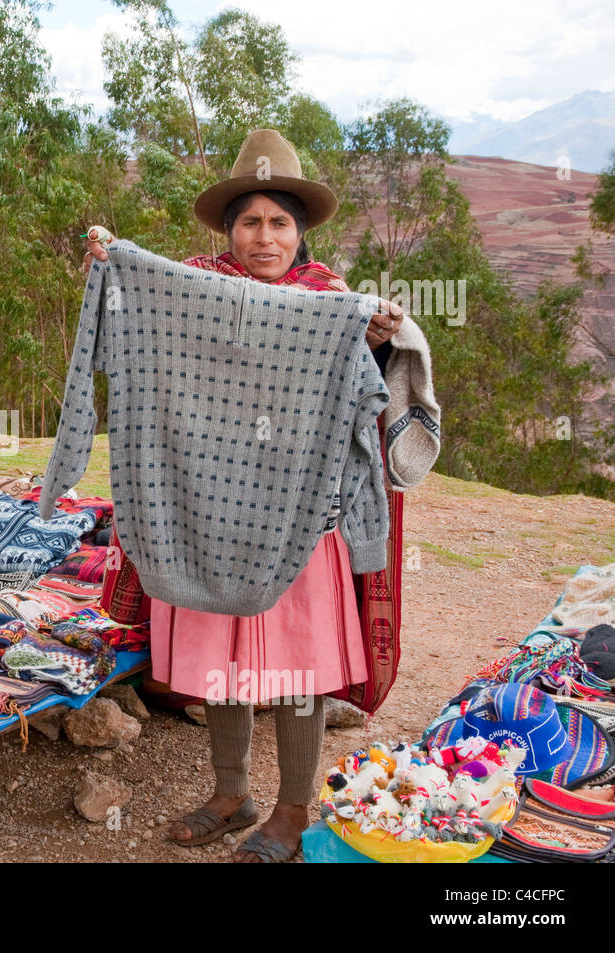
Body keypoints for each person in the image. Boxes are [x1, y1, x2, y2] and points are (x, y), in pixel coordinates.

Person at [83, 129, 413, 862]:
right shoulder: (193, 287)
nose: (265, 237)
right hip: (209, 506)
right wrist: (112, 269)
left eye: (279, 222)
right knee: (221, 656)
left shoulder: (331, 301)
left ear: (300, 232)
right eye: (251, 222)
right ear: (230, 230)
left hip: (303, 514)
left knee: (297, 663)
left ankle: (294, 813)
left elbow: (367, 392)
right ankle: (232, 793)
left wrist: (380, 339)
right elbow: (135, 322)